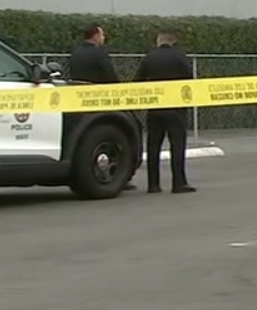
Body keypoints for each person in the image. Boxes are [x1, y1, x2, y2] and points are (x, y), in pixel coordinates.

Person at [68, 23, 135, 190]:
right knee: (119, 135)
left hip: (79, 100)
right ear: (96, 35)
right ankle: (121, 176)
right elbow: (109, 76)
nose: (104, 38)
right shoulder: (100, 54)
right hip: (101, 100)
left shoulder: (76, 53)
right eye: (102, 35)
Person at [133, 30, 197, 194]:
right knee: (177, 145)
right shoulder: (180, 56)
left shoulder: (150, 57)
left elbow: (137, 80)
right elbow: (189, 78)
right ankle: (178, 183)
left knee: (154, 145)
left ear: (159, 41)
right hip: (176, 107)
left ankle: (153, 184)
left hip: (155, 107)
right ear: (174, 41)